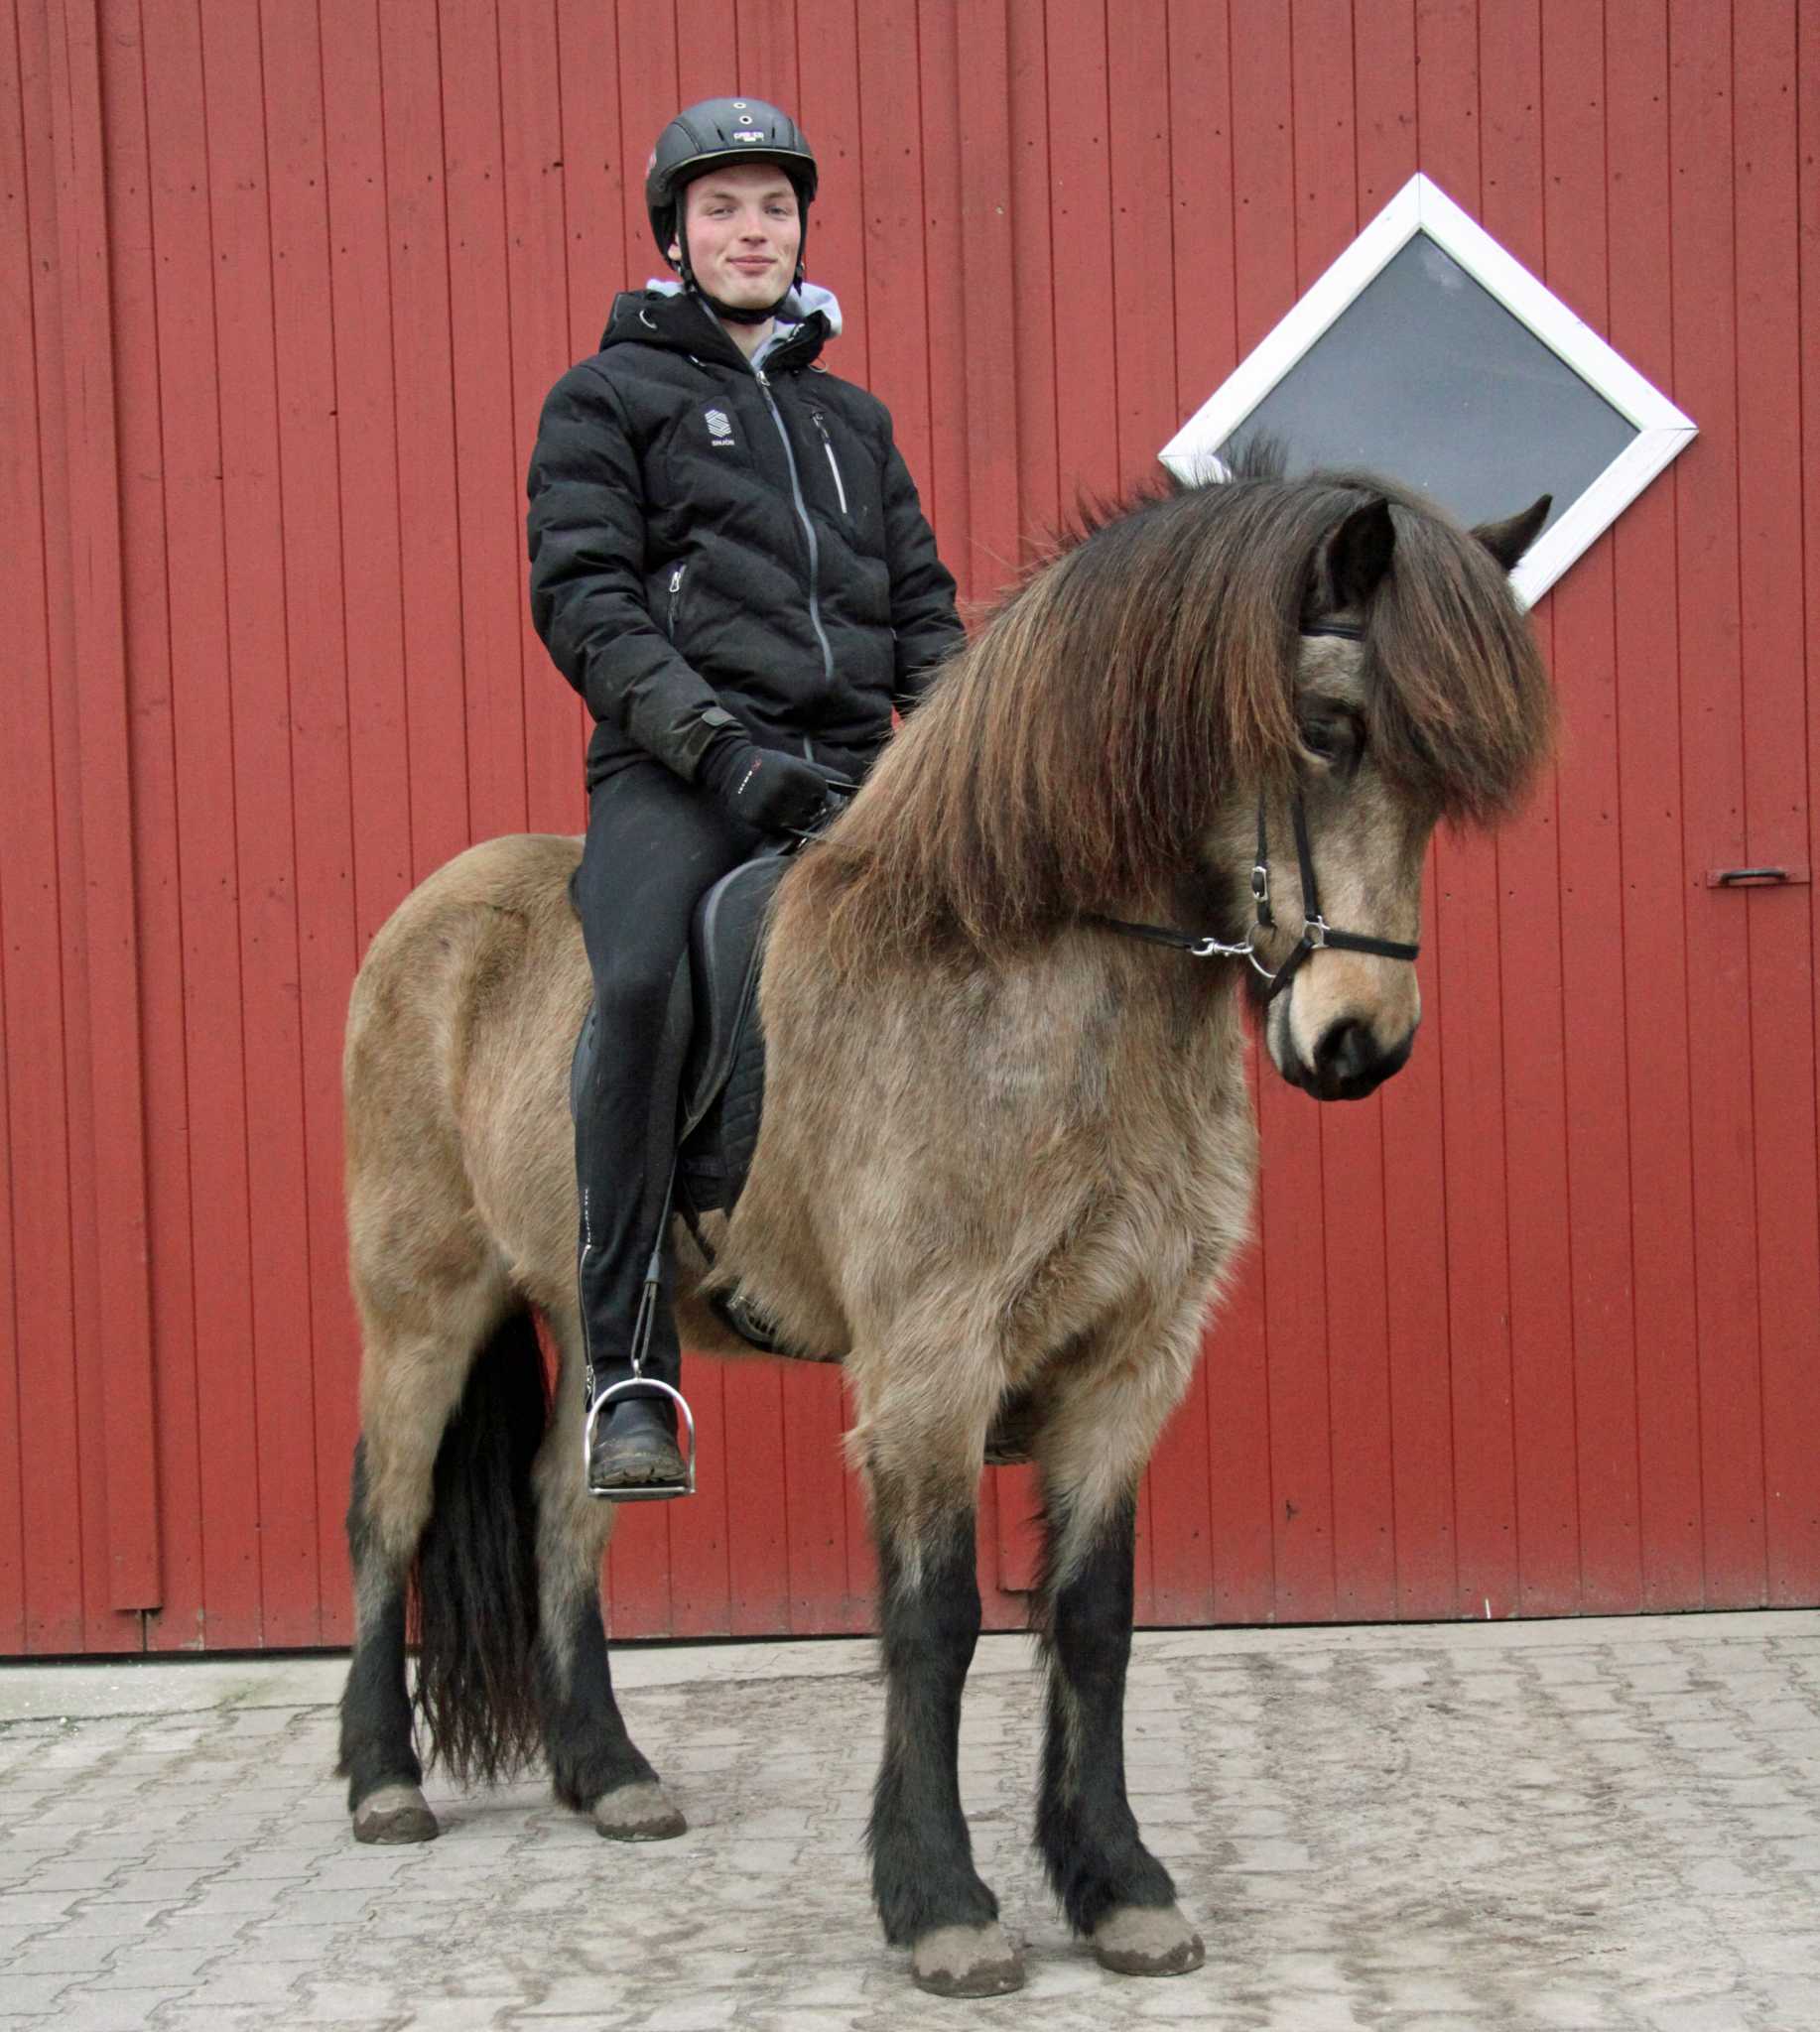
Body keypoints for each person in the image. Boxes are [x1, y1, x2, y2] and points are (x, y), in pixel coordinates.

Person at [526, 97, 963, 1496]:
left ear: (799, 232)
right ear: (675, 233)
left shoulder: (852, 420)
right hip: (684, 774)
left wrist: (960, 750)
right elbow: (586, 601)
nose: (750, 230)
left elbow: (923, 614)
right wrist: (716, 747)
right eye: (721, 208)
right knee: (643, 981)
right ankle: (630, 1365)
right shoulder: (608, 400)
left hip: (855, 773)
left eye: (773, 207)